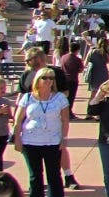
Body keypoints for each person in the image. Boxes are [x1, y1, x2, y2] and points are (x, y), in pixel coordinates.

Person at [13, 68, 69, 197]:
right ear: (37, 80)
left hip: (52, 141)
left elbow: (65, 120)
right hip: (30, 142)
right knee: (35, 176)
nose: (48, 80)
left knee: (54, 175)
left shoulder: (60, 98)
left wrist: (64, 138)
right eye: (45, 78)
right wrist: (17, 139)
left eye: (51, 78)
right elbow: (18, 120)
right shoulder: (27, 97)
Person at [84, 38, 109, 121]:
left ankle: (89, 112)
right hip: (103, 73)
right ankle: (98, 114)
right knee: (102, 94)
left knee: (93, 94)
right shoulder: (105, 53)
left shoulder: (92, 51)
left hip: (94, 73)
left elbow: (85, 62)